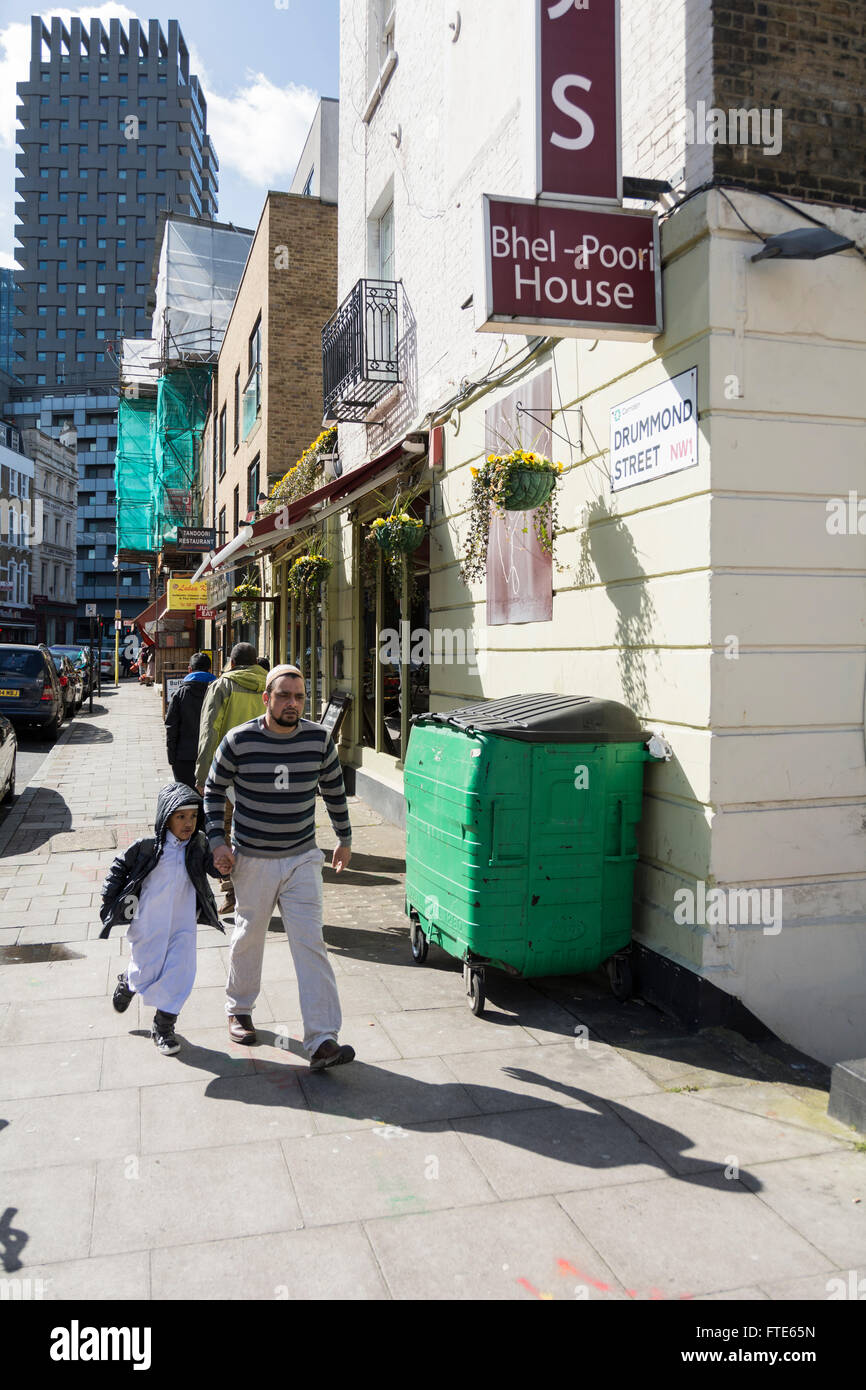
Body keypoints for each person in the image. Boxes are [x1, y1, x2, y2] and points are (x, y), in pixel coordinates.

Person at [203, 663, 355, 1070]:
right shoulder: (239, 741)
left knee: (310, 941)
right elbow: (213, 790)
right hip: (252, 858)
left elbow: (334, 790)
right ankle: (239, 1009)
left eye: (300, 696)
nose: (292, 703)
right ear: (266, 698)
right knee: (249, 936)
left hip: (302, 857)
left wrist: (344, 838)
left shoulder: (319, 740)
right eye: (284, 695)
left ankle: (323, 1038)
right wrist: (217, 841)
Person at [98, 783, 223, 1055]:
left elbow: (212, 867)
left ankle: (163, 1027)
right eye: (181, 816)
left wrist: (223, 863)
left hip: (183, 923)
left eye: (192, 816)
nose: (188, 823)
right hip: (149, 923)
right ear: (166, 817)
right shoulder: (146, 848)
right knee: (147, 969)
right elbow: (119, 867)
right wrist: (109, 902)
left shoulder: (198, 844)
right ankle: (129, 981)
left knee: (182, 971)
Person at [194, 642, 267, 916]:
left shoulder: (222, 686)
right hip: (264, 773)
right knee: (257, 832)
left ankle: (233, 892)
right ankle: (260, 890)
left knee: (225, 831)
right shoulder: (270, 685)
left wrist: (203, 775)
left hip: (228, 774)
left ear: (232, 663)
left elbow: (209, 730)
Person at [165, 652, 215, 792]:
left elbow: (171, 727)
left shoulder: (180, 694)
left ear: (189, 669)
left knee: (188, 800)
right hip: (213, 756)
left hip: (184, 756)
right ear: (210, 670)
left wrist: (172, 757)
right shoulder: (219, 691)